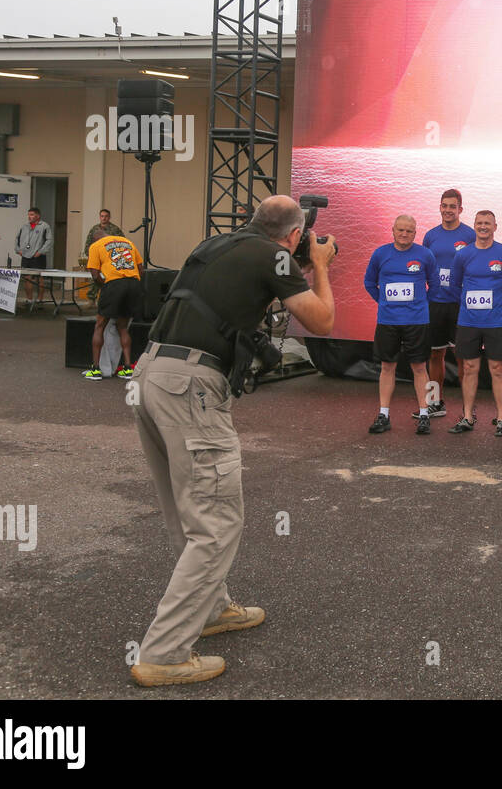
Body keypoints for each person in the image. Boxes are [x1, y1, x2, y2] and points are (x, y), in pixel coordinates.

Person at [128, 194, 335, 686]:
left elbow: (249, 281)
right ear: (293, 235)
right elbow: (322, 320)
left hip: (152, 374)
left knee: (189, 509)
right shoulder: (277, 256)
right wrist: (320, 265)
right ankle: (164, 653)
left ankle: (212, 608)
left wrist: (298, 257)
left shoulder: (220, 244)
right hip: (191, 388)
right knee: (217, 522)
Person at [449, 210, 502, 436]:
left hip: (497, 323)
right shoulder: (463, 254)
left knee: (498, 369)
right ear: (474, 226)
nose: (483, 227)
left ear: (495, 226)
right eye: (480, 223)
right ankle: (467, 417)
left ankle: (501, 418)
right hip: (468, 322)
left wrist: (500, 304)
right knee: (470, 368)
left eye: (487, 224)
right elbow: (454, 285)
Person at [364, 215, 439, 434]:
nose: (404, 234)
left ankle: (424, 414)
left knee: (419, 367)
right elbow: (369, 282)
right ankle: (383, 414)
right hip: (388, 320)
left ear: (415, 233)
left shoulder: (425, 255)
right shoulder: (380, 254)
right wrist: (384, 302)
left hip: (417, 321)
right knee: (387, 366)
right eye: (401, 230)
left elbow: (434, 285)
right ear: (393, 231)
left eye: (409, 231)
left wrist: (420, 303)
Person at [421, 189, 475, 421]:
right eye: (445, 206)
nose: (448, 210)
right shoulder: (430, 236)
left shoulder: (470, 235)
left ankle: (467, 408)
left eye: (453, 206)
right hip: (435, 303)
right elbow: (423, 267)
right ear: (440, 207)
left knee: (462, 357)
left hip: (460, 306)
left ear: (460, 209)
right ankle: (434, 403)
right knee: (434, 356)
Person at [82, 231, 146, 380]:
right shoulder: (127, 242)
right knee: (122, 327)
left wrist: (107, 287)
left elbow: (95, 275)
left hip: (114, 284)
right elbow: (141, 269)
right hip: (134, 284)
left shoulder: (95, 246)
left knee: (100, 325)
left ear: (95, 239)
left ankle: (96, 369)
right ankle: (128, 368)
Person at [81, 209, 125, 301]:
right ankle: (91, 300)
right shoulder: (94, 229)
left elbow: (122, 244)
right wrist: (91, 255)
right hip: (97, 259)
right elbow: (88, 244)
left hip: (109, 260)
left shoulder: (115, 230)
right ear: (99, 217)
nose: (104, 218)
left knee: (109, 279)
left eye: (106, 216)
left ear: (109, 217)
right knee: (94, 279)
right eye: (102, 216)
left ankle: (108, 299)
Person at [15, 207, 53, 305]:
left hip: (38, 256)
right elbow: (17, 238)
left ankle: (40, 300)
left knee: (39, 278)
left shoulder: (44, 226)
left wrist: (41, 251)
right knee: (27, 278)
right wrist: (18, 250)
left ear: (38, 216)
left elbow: (49, 240)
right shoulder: (24, 226)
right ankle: (29, 299)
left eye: (31, 215)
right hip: (26, 256)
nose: (29, 217)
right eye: (29, 214)